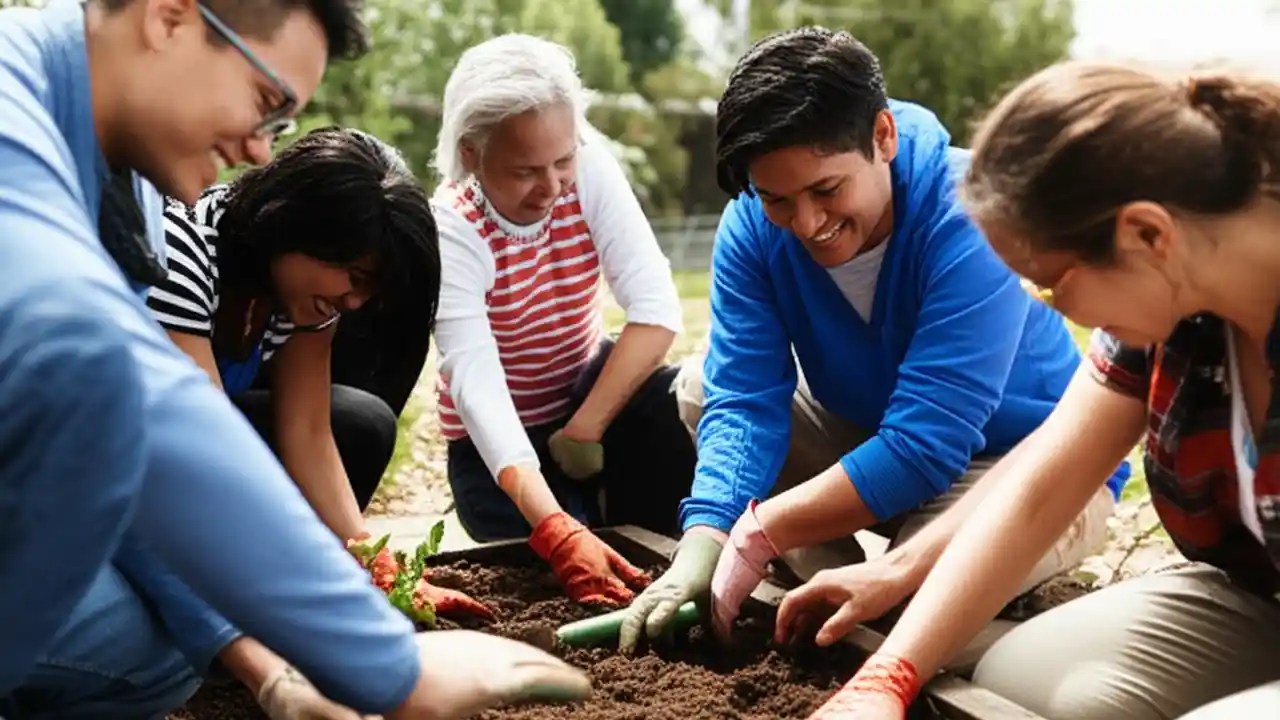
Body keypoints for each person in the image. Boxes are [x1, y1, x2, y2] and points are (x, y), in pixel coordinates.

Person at [0, 1, 590, 719]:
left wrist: (363, 582)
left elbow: (250, 436)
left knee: (166, 635)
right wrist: (378, 662)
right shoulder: (15, 125)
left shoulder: (124, 181)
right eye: (265, 104)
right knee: (153, 640)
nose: (258, 148)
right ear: (170, 18)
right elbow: (142, 414)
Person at [790, 60, 1280, 719]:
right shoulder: (1174, 310)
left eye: (1050, 282)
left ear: (1145, 234)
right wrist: (889, 670)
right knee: (1022, 681)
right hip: (1257, 594)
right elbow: (1043, 483)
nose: (1047, 305)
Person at [619, 27, 1130, 653]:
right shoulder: (754, 226)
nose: (807, 224)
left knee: (911, 610)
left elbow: (927, 443)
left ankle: (976, 624)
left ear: (882, 137)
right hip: (872, 432)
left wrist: (759, 531)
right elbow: (744, 400)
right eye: (777, 198)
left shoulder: (972, 209)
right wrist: (705, 541)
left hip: (1023, 464)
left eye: (826, 190)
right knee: (702, 386)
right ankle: (826, 593)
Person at [431, 33, 696, 605]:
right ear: (473, 153)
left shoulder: (590, 171)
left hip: (588, 405)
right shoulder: (452, 228)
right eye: (525, 170)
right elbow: (476, 388)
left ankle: (620, 520)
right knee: (536, 572)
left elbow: (655, 310)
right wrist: (553, 525)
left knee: (681, 399)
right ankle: (578, 514)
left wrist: (586, 427)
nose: (551, 188)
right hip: (496, 443)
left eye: (563, 160)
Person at [147, 125, 440, 543]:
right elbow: (207, 443)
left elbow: (307, 431)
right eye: (353, 276)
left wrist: (368, 559)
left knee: (359, 423)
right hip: (148, 453)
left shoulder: (300, 296)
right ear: (294, 223)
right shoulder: (183, 253)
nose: (354, 301)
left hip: (212, 446)